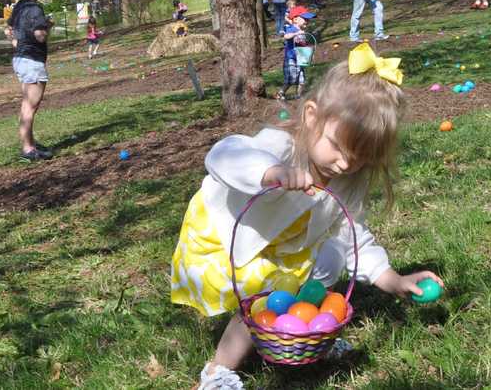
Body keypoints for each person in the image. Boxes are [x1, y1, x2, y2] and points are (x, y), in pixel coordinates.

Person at [170, 45, 443, 390]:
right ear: (312, 116)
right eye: (338, 148)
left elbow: (351, 231)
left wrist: (390, 278)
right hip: (232, 235)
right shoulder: (281, 147)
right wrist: (269, 172)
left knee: (332, 256)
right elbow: (223, 155)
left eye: (357, 159)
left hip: (285, 246)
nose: (344, 164)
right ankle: (218, 371)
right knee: (259, 296)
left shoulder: (343, 178)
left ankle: (307, 330)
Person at [6, 0, 53, 161]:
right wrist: (48, 26)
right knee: (29, 106)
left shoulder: (19, 7)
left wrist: (18, 44)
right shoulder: (35, 9)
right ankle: (27, 149)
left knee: (28, 104)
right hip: (32, 61)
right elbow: (40, 35)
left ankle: (30, 144)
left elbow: (9, 30)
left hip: (20, 59)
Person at [277, 5, 315, 100]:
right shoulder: (292, 29)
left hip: (300, 59)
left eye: (308, 19)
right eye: (305, 19)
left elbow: (303, 45)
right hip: (291, 59)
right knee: (291, 79)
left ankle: (299, 96)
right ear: (295, 19)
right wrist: (295, 34)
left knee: (302, 80)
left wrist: (309, 54)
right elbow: (286, 36)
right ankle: (280, 93)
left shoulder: (303, 31)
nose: (307, 21)